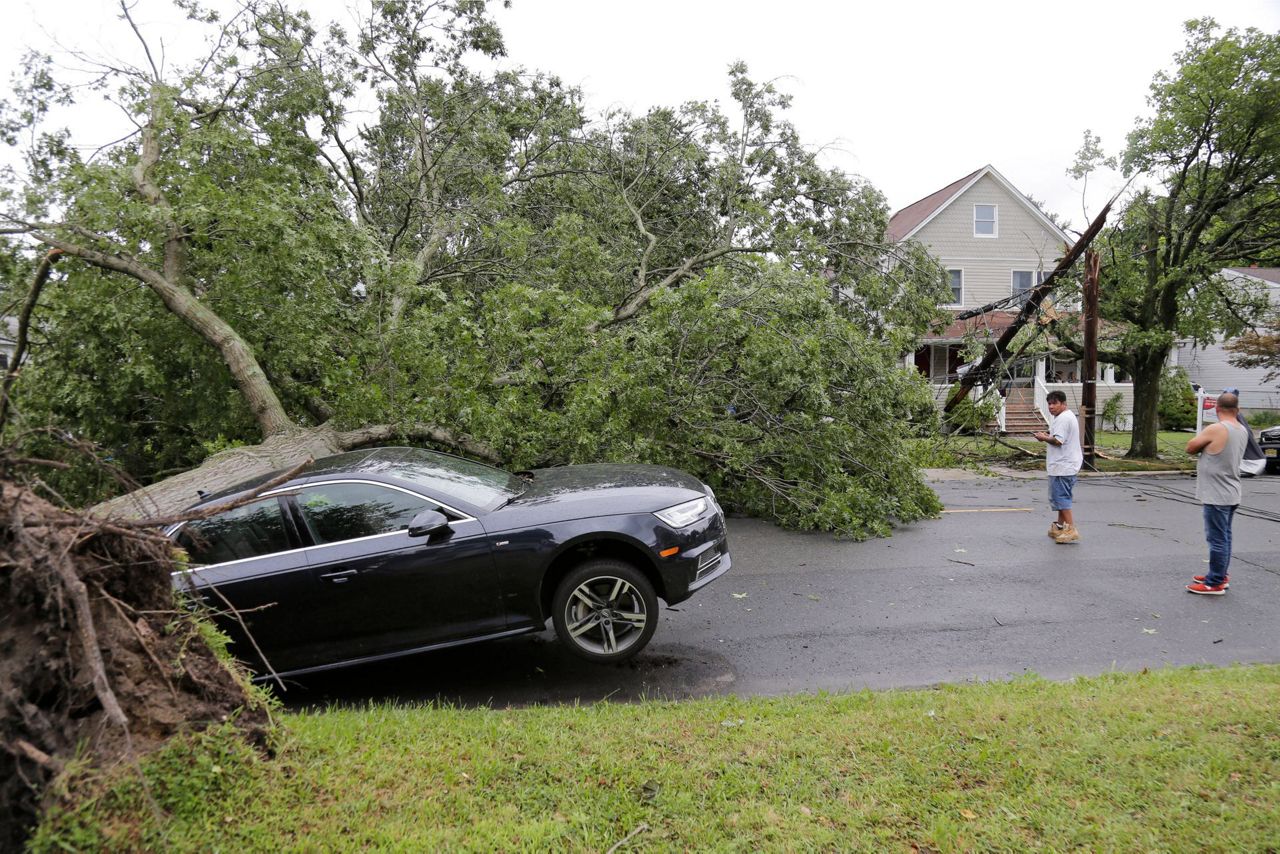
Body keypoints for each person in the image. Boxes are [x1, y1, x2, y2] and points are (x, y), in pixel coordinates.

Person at [1185, 391, 1248, 594]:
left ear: (1216, 408)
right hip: (1231, 490)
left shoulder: (1217, 429)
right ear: (1237, 410)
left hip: (1217, 493)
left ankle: (1214, 582)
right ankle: (1220, 573)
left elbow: (1191, 447)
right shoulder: (1242, 429)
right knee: (1225, 536)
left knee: (1217, 539)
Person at [1033, 390, 1083, 543]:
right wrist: (1048, 435)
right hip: (1065, 464)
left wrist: (1043, 438)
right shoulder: (1065, 417)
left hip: (1063, 466)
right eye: (1049, 403)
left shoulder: (1063, 419)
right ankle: (1060, 526)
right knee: (1059, 498)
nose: (1051, 407)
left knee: (1061, 498)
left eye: (1055, 403)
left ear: (1063, 404)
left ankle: (1070, 529)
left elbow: (1058, 441)